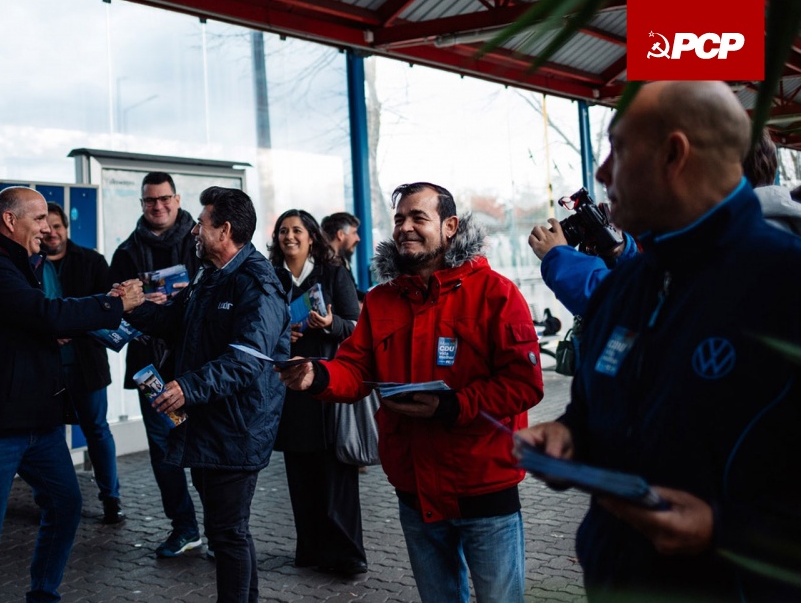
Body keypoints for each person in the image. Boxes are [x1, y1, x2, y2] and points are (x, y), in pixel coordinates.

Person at [518, 81, 801, 602]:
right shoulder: (624, 286)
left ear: (674, 154)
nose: (602, 174)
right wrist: (567, 435)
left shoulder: (784, 286)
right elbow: (593, 411)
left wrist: (724, 529)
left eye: (618, 150)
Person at [279, 182, 544, 603]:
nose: (404, 227)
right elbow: (355, 367)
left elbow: (523, 384)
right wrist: (319, 377)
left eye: (418, 217)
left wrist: (455, 405)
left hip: (484, 488)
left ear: (450, 225)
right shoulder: (383, 301)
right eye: (399, 218)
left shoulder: (496, 293)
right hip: (415, 491)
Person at [0, 187, 144, 603]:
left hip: (39, 421)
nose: (48, 229)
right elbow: (42, 313)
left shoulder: (18, 264)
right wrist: (114, 304)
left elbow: (24, 324)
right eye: (38, 219)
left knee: (66, 506)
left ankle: (44, 594)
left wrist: (49, 336)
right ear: (9, 221)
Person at [125, 186, 289, 603]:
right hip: (209, 424)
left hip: (236, 427)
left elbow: (247, 359)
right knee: (227, 530)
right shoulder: (211, 275)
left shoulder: (257, 283)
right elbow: (175, 321)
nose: (194, 230)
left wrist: (187, 387)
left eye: (201, 223)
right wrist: (134, 306)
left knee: (227, 534)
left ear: (225, 230)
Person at [529, 129, 783, 316]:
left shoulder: (737, 250)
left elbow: (628, 307)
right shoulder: (764, 235)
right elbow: (659, 282)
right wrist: (620, 250)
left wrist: (558, 256)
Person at [108, 171, 204, 557]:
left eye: (165, 199)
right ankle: (184, 527)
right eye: (150, 201)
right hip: (150, 366)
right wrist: (140, 307)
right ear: (142, 204)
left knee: (206, 445)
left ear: (177, 200)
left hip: (196, 363)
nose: (158, 206)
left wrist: (185, 299)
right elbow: (113, 309)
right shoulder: (127, 252)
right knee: (164, 450)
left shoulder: (203, 241)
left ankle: (222, 529)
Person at [268, 209, 366, 576]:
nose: (289, 236)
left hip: (328, 382)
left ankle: (346, 553)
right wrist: (281, 334)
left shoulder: (333, 272)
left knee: (336, 472)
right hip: (289, 387)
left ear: (311, 236)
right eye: (282, 231)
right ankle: (308, 548)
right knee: (300, 472)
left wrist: (330, 324)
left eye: (296, 230)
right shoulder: (270, 277)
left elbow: (356, 327)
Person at [40, 201, 125, 524]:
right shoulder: (29, 265)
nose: (52, 234)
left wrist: (72, 328)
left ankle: (111, 498)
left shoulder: (91, 261)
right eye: (45, 228)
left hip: (87, 363)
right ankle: (53, 499)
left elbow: (111, 307)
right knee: (48, 435)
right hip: (45, 366)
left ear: (65, 228)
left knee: (97, 431)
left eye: (57, 227)